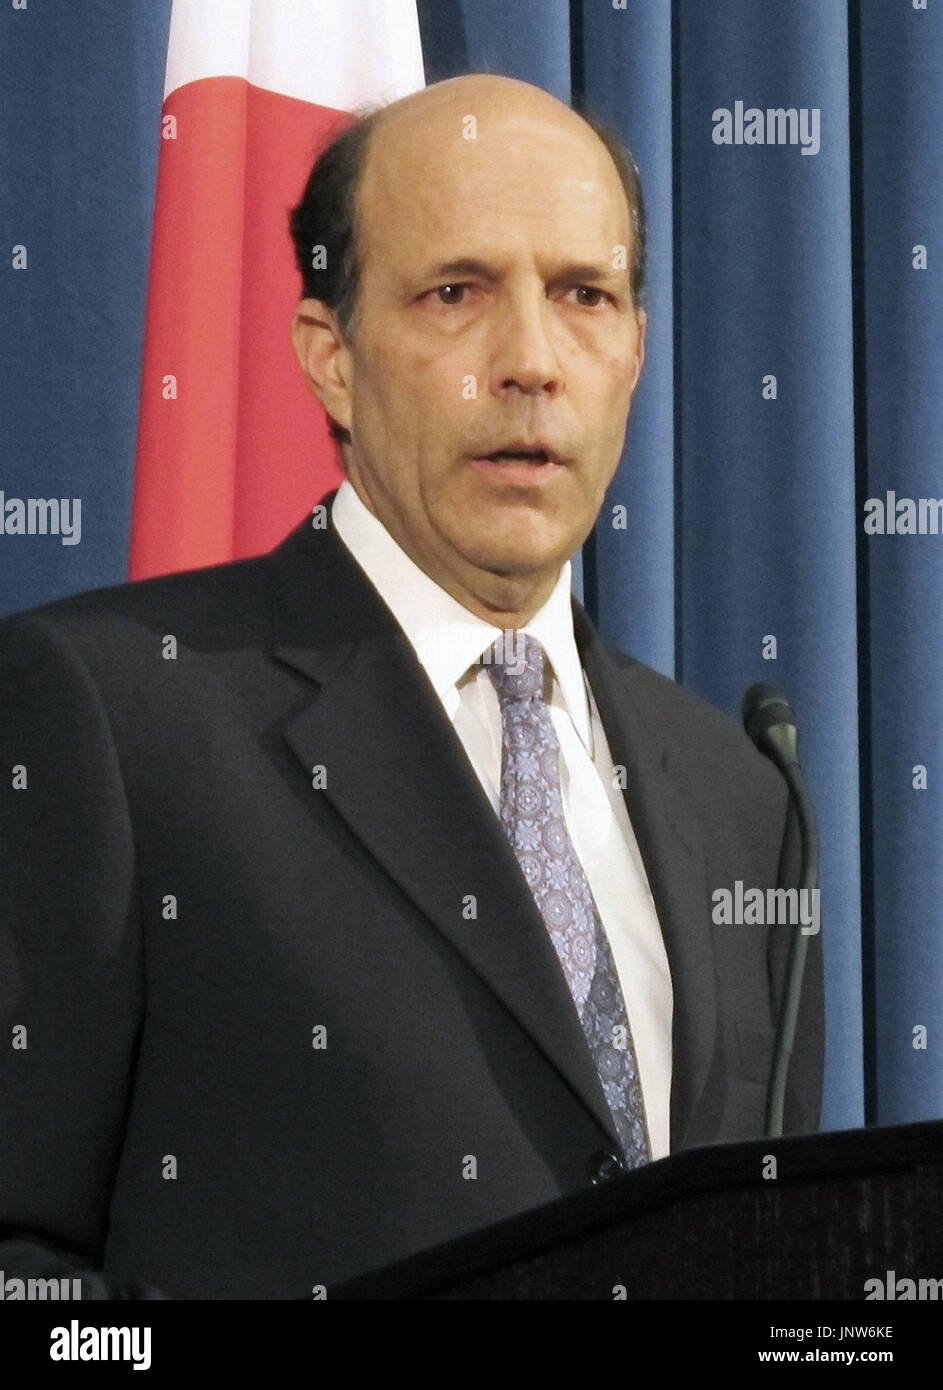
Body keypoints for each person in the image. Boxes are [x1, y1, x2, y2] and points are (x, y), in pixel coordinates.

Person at [0, 74, 823, 1299]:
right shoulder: (115, 716)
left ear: (635, 355)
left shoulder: (741, 798)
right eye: (456, 293)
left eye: (583, 296)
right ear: (330, 356)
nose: (531, 360)